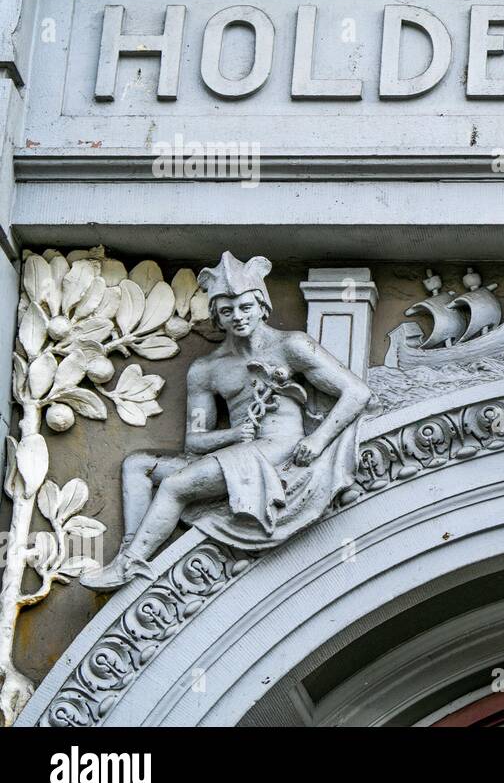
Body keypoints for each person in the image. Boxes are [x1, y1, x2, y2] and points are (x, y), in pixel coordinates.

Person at [82, 252, 373, 591]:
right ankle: (129, 549)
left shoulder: (291, 347)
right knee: (137, 465)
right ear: (217, 317)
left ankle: (130, 566)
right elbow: (195, 441)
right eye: (226, 310)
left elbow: (356, 392)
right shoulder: (207, 369)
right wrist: (233, 434)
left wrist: (318, 440)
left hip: (277, 448)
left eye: (245, 307)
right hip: (239, 449)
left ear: (262, 307)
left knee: (176, 485)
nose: (237, 316)